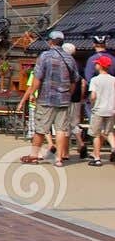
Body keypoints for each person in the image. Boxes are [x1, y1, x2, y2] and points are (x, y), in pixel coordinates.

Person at [18, 28, 80, 167]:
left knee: (40, 129)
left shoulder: (45, 56)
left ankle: (34, 156)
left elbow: (37, 78)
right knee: (61, 129)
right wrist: (68, 94)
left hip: (46, 99)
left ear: (51, 41)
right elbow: (74, 81)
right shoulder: (69, 58)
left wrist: (32, 94)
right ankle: (58, 159)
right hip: (64, 99)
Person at [87, 53, 115, 166]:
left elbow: (93, 96)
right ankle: (114, 147)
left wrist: (91, 103)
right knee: (109, 132)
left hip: (98, 110)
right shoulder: (113, 79)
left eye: (97, 64)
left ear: (100, 66)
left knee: (96, 134)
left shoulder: (95, 80)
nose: (95, 65)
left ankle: (97, 158)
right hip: (111, 109)